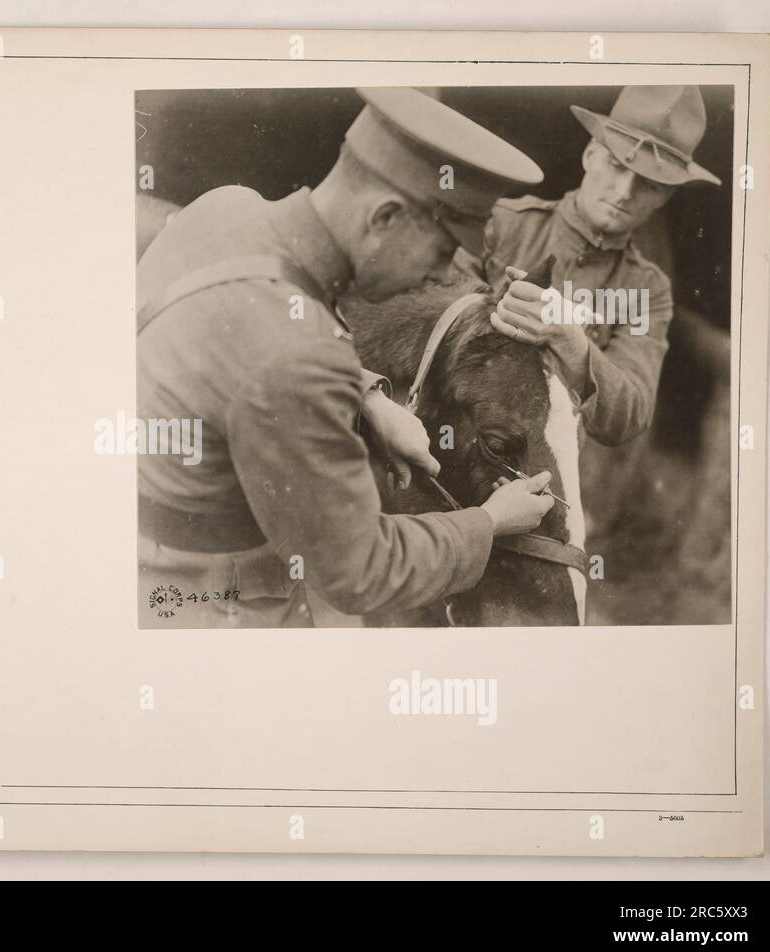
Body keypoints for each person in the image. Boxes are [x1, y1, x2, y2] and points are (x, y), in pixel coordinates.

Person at [137, 87, 555, 629]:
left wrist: (368, 396)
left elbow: (238, 338)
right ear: (383, 217)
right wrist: (490, 522)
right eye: (442, 249)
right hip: (209, 609)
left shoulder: (227, 208)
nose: (443, 273)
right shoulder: (302, 358)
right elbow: (359, 572)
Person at [465, 85, 722, 446]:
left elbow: (630, 416)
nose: (624, 192)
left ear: (666, 197)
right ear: (589, 155)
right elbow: (431, 324)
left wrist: (572, 341)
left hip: (547, 472)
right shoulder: (503, 225)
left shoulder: (647, 290)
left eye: (648, 185)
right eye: (616, 165)